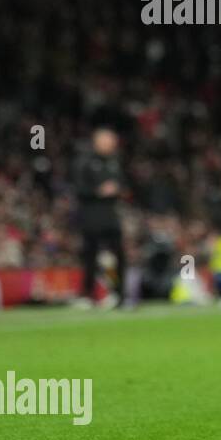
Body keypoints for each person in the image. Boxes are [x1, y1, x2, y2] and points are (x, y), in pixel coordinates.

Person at [73, 127, 126, 310]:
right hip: (91, 216)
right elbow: (79, 189)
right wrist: (99, 191)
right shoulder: (85, 162)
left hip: (111, 216)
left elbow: (124, 184)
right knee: (90, 256)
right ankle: (88, 295)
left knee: (118, 256)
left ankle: (118, 294)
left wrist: (119, 190)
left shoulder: (115, 161)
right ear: (98, 142)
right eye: (108, 141)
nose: (112, 145)